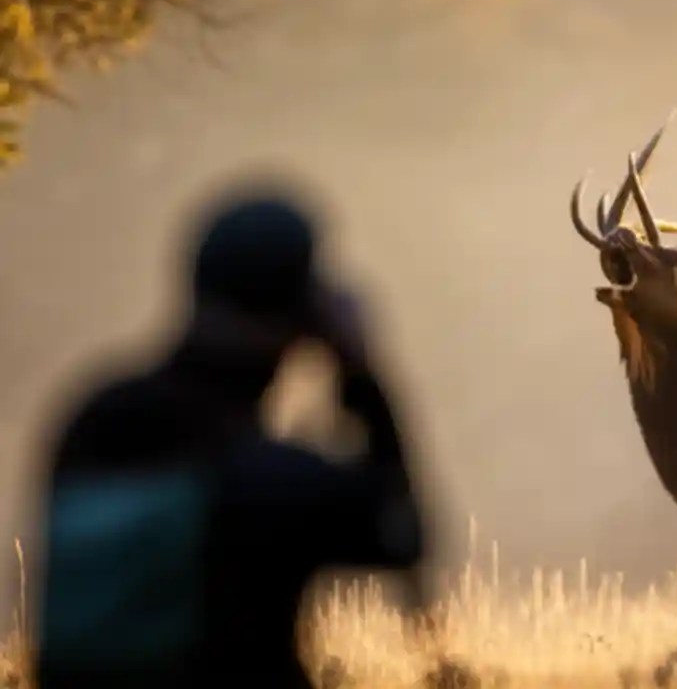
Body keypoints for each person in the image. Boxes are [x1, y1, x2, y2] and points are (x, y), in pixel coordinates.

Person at [36, 182, 432, 688]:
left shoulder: (93, 418)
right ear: (304, 313)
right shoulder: (270, 476)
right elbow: (402, 535)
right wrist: (363, 376)